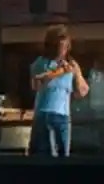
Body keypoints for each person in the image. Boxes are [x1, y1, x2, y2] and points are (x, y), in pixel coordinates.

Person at [29, 25, 90, 157]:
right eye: (59, 46)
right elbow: (37, 84)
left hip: (63, 116)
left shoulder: (71, 64)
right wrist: (59, 72)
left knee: (63, 156)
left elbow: (82, 91)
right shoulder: (41, 63)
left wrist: (76, 74)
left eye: (65, 46)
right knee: (43, 154)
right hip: (44, 114)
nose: (62, 50)